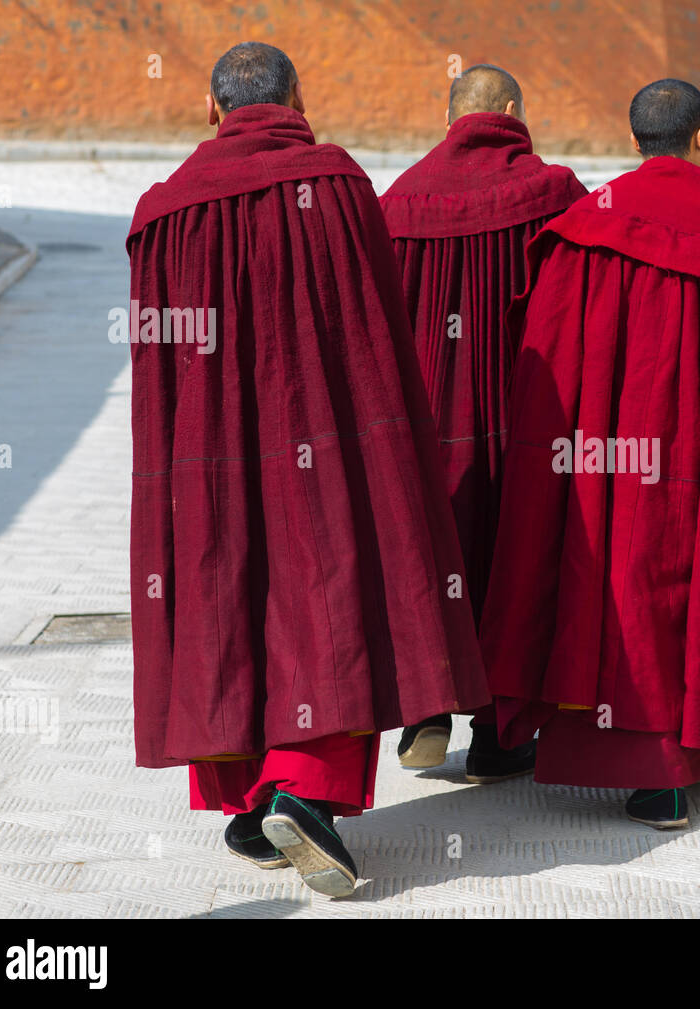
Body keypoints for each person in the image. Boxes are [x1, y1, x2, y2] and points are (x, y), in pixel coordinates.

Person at [126, 42, 489, 896]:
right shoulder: (335, 181)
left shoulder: (161, 209)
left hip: (205, 451)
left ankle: (254, 801)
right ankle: (304, 789)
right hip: (322, 430)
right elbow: (375, 329)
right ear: (298, 100)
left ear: (211, 112)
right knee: (329, 588)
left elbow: (155, 369)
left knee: (230, 593)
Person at [479, 79, 700, 829]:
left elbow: (539, 347)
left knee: (611, 580)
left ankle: (627, 755)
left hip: (600, 457)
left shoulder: (587, 222)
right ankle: (670, 764)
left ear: (635, 137)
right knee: (693, 577)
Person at [380, 64, 586, 782]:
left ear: (450, 120)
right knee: (518, 560)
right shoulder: (554, 191)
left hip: (430, 430)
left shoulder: (397, 200)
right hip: (529, 418)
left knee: (436, 558)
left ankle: (427, 708)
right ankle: (501, 733)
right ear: (509, 110)